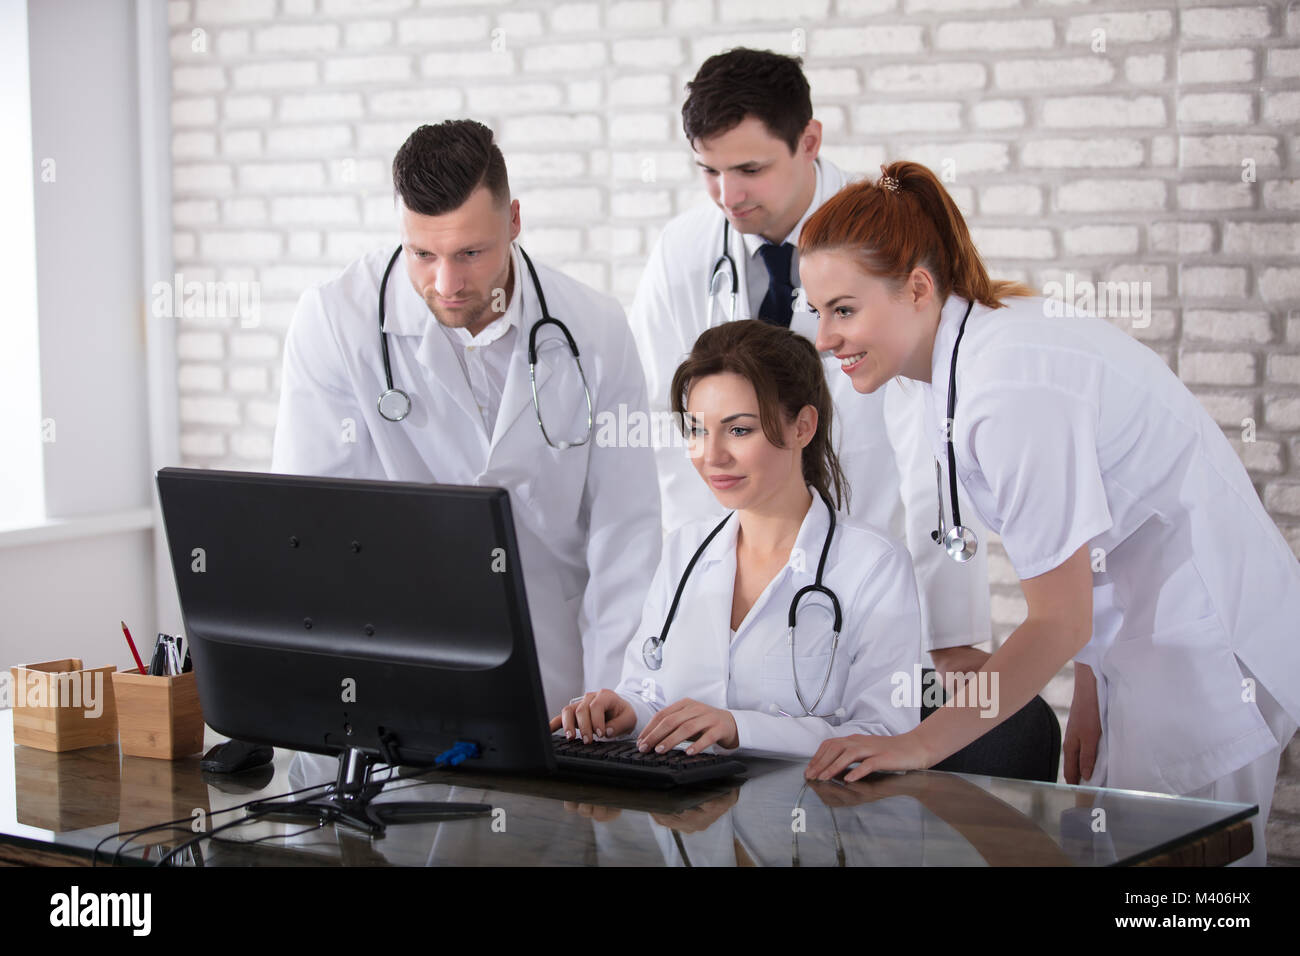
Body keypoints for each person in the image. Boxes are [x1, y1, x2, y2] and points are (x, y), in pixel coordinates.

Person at [799, 160, 1300, 865]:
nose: (824, 338)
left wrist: (916, 744)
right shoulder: (941, 362)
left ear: (916, 288)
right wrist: (1091, 685)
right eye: (815, 310)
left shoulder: (1009, 384)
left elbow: (1059, 617)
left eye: (843, 310)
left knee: (1186, 895)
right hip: (1140, 639)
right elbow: (1092, 540)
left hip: (1208, 650)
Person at [270, 120, 662, 716]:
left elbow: (626, 533)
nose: (445, 283)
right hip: (396, 667)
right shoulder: (335, 321)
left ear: (514, 221)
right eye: (422, 254)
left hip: (555, 675)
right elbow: (313, 529)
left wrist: (619, 692)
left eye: (470, 254)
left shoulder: (595, 328)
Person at [627, 48, 990, 680]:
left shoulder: (888, 236)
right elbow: (670, 438)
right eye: (708, 171)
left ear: (810, 141)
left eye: (749, 168)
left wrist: (952, 629)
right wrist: (701, 582)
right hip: (738, 577)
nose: (727, 196)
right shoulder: (683, 251)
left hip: (873, 569)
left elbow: (938, 448)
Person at [551, 320, 921, 758]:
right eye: (697, 430)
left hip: (811, 819)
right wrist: (626, 710)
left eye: (739, 430)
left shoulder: (874, 565)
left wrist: (739, 728)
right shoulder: (686, 550)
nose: (712, 456)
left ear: (802, 427)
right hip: (688, 818)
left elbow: (886, 734)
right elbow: (648, 690)